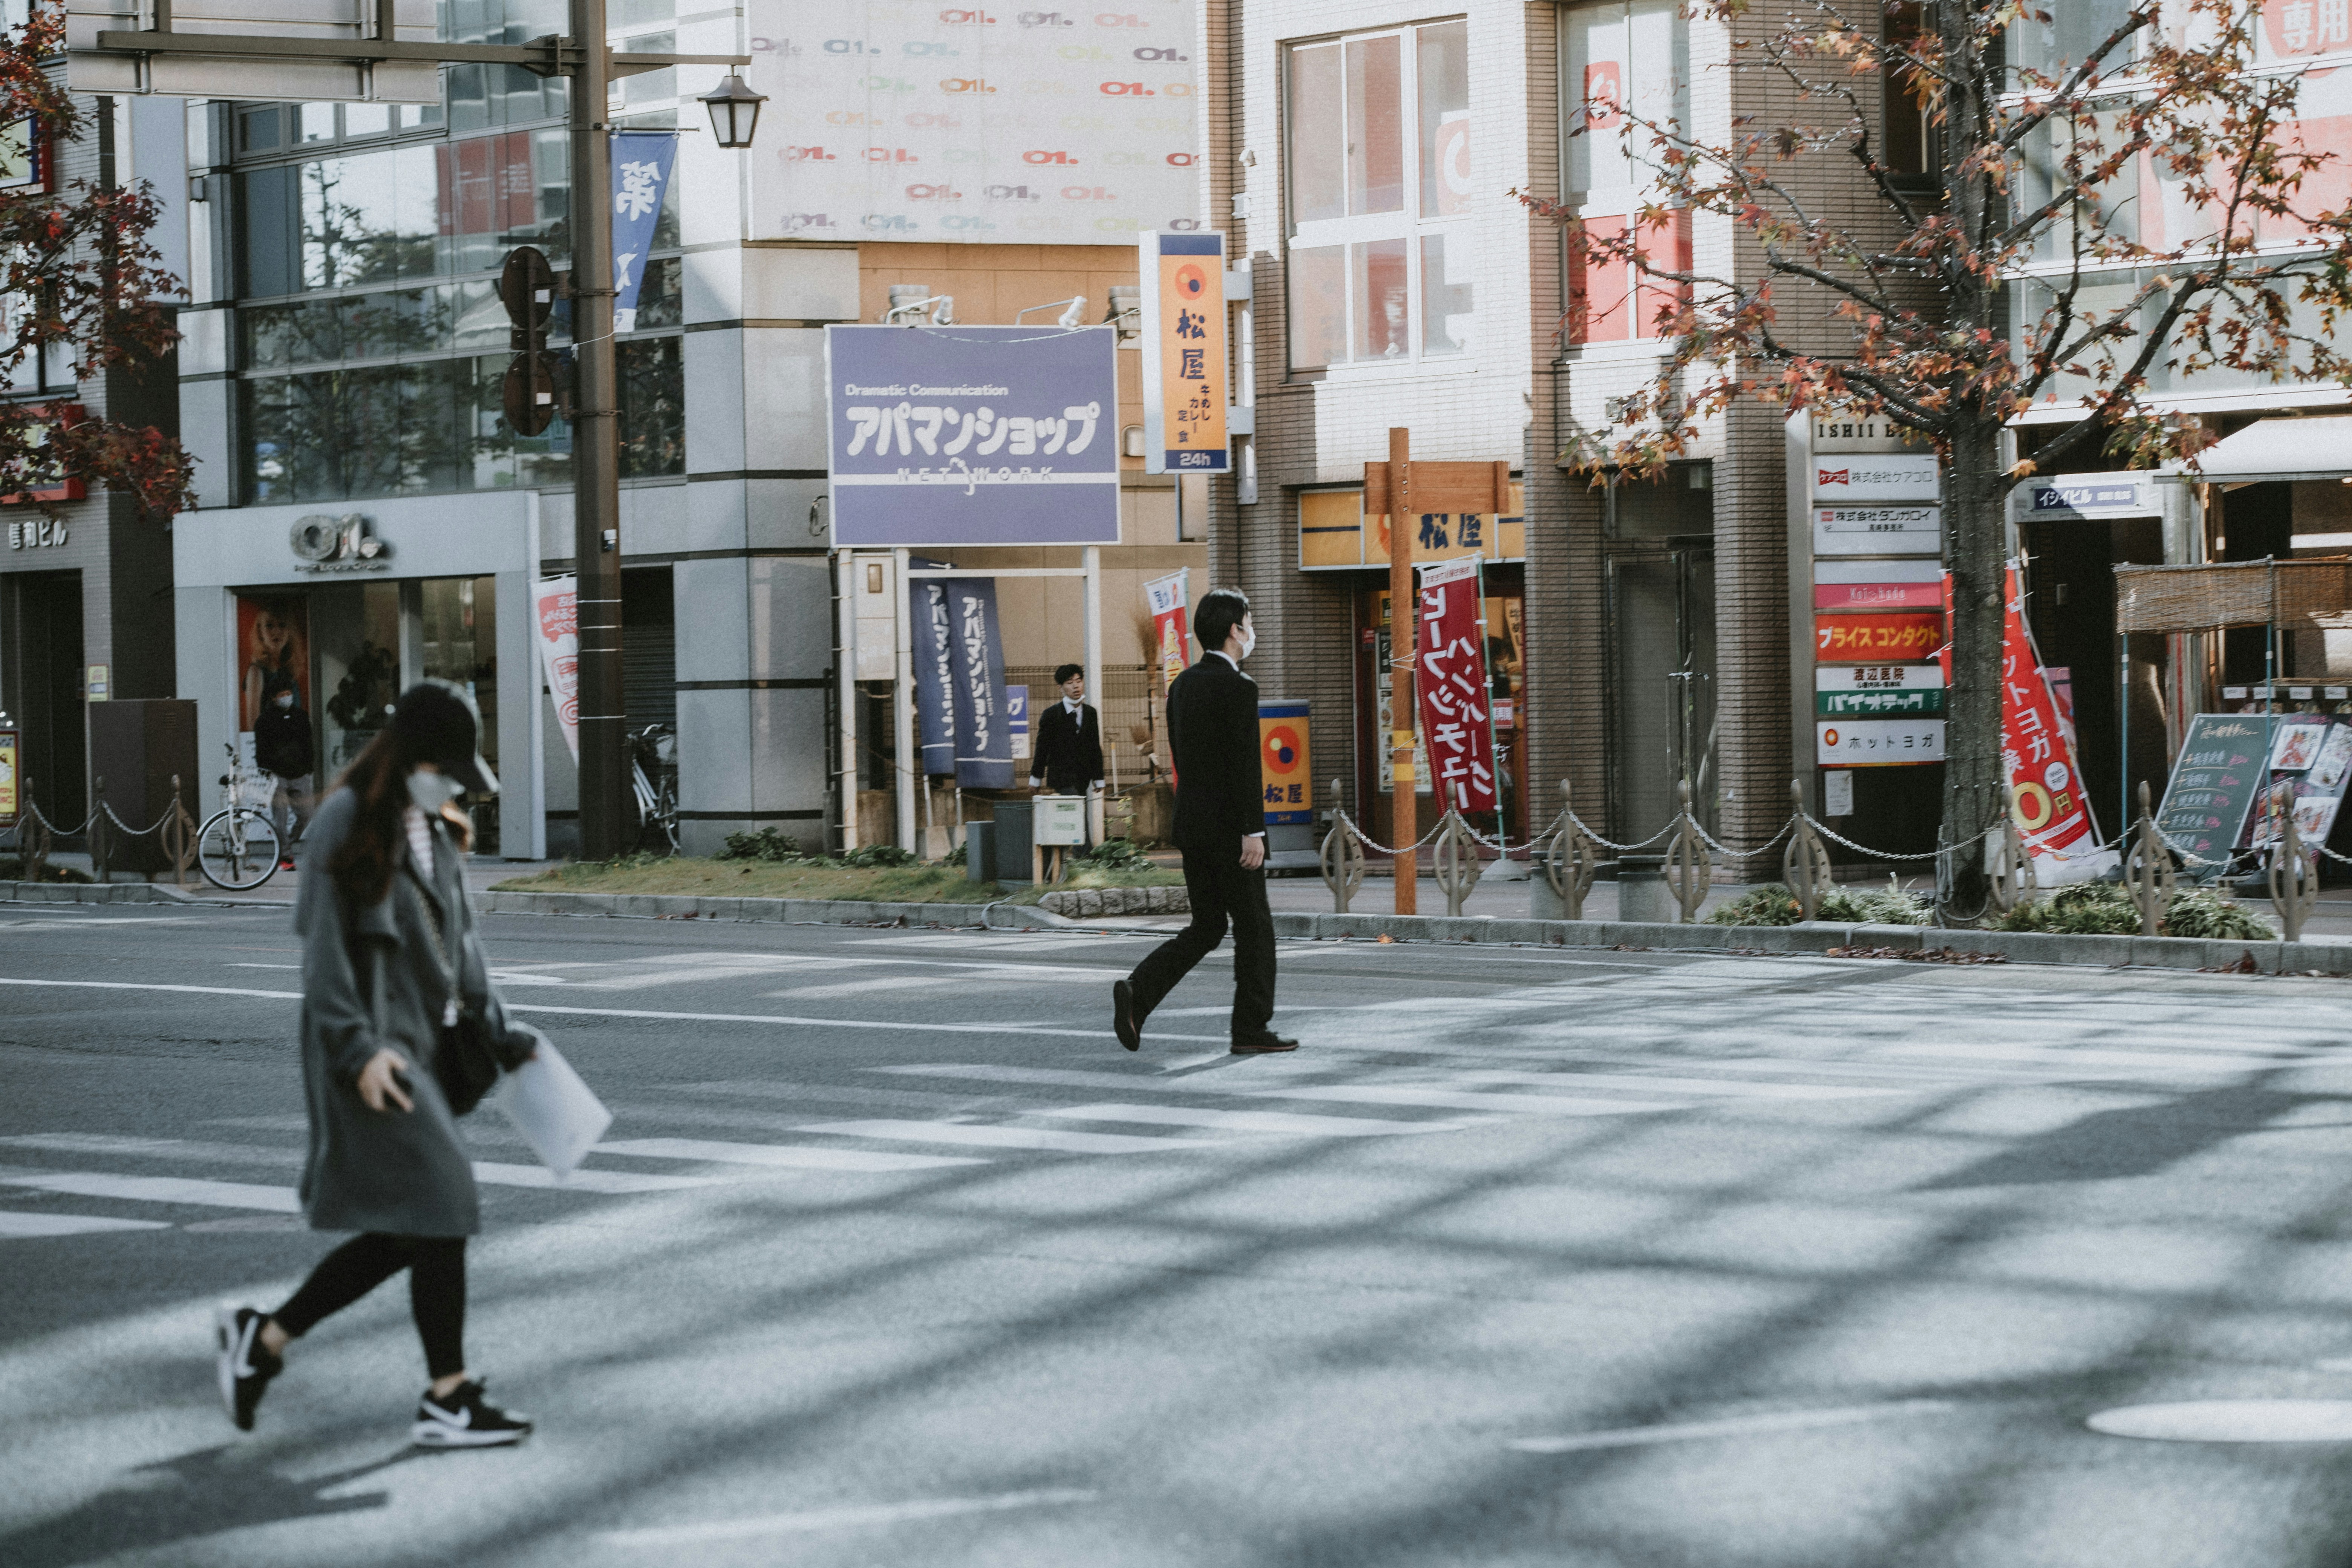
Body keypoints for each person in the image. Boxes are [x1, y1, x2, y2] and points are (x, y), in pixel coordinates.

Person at [214, 680, 545, 1448]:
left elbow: (457, 946)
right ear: (412, 755)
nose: (456, 781)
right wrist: (358, 1051)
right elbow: (323, 958)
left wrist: (500, 1028)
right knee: (444, 1200)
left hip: (422, 1051)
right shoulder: (343, 820)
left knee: (414, 1227)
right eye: (447, 765)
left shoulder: (431, 823)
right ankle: (448, 1397)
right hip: (369, 1055)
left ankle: (264, 1340)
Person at [1114, 588, 1296, 1056]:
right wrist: (1253, 830)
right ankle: (1250, 1029)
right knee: (1255, 929)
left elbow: (1184, 759)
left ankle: (1140, 991)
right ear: (1236, 630)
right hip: (1232, 834)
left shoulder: (1183, 686)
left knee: (1208, 926)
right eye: (1249, 622)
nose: (1252, 630)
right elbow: (1242, 764)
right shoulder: (1240, 687)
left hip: (1192, 826)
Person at [1030, 662, 1105, 874]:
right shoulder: (1051, 715)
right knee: (1077, 812)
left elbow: (1094, 747)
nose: (1076, 686)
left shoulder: (1090, 713)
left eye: (1079, 681)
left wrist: (1099, 779)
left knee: (1072, 815)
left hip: (1083, 776)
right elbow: (1042, 749)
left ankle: (1060, 860)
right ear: (1061, 688)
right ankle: (1086, 857)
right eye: (1070, 683)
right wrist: (1035, 779)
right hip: (1061, 776)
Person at [254, 681, 317, 872]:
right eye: (282, 694)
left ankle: (286, 844)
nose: (286, 697)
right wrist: (266, 770)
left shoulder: (300, 716)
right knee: (280, 820)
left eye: (289, 693)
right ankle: (286, 857)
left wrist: (308, 767)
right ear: (274, 698)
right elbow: (261, 749)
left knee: (306, 814)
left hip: (300, 774)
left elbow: (308, 743)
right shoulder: (265, 720)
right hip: (277, 776)